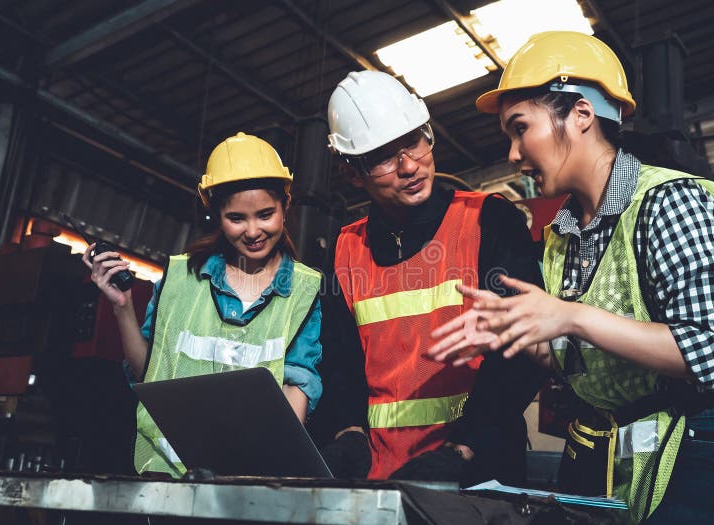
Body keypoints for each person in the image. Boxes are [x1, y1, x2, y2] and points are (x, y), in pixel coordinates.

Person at [428, 31, 714, 525]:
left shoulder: (668, 201)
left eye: (520, 128)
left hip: (709, 434)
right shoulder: (561, 236)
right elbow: (582, 360)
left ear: (581, 115)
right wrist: (523, 337)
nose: (513, 153)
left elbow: (713, 351)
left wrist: (569, 315)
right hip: (629, 442)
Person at [311, 70, 547, 485]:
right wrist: (346, 431)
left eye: (414, 142)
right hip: (378, 476)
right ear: (353, 174)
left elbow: (522, 350)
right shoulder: (347, 249)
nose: (409, 166)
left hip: (478, 470)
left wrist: (467, 446)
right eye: (383, 156)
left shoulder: (489, 221)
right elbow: (339, 361)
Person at [83, 132, 323, 478]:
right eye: (236, 218)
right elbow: (146, 374)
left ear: (286, 206)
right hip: (164, 477)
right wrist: (122, 307)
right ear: (216, 215)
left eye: (266, 214)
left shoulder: (305, 290)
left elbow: (298, 388)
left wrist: (269, 466)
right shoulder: (180, 277)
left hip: (249, 484)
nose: (253, 230)